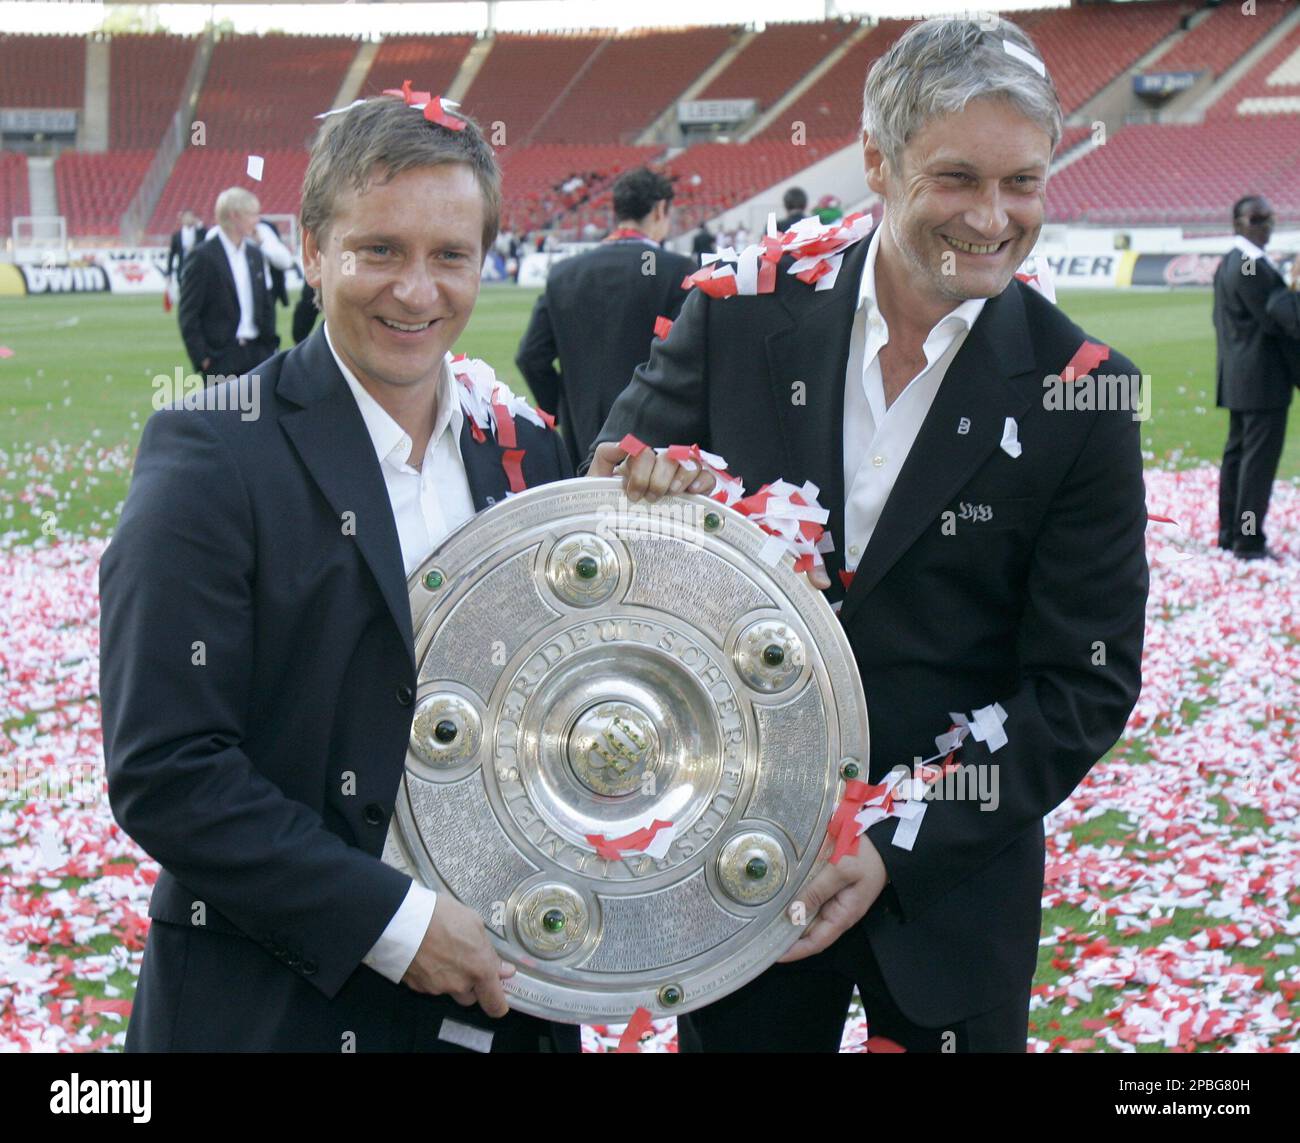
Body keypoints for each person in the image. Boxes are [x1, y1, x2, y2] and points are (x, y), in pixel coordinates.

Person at [587, 17, 1149, 1053]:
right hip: (737, 867)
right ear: (879, 164)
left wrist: (894, 844)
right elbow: (603, 516)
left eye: (1022, 183)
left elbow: (1084, 683)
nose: (992, 218)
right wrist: (640, 493)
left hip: (953, 902)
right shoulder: (736, 313)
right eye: (957, 178)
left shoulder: (1087, 394)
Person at [101, 92, 576, 1053]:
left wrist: (663, 522)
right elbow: (166, 768)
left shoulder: (528, 452)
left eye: (450, 255)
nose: (417, 290)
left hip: (508, 1004)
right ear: (312, 251)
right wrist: (395, 927)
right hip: (277, 1011)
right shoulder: (210, 452)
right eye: (380, 250)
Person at [515, 166, 697, 472]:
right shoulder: (676, 270)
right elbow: (687, 359)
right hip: (651, 447)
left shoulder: (564, 273)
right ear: (660, 209)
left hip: (580, 436)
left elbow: (531, 356)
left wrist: (562, 407)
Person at [1213, 194, 1300, 560]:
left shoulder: (1233, 262)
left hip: (1241, 378)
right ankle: (1247, 540)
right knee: (1255, 466)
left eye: (1268, 218)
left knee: (1238, 459)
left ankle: (1231, 534)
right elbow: (1282, 319)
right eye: (1257, 219)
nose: (1266, 226)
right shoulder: (1249, 265)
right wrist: (1294, 288)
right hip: (1263, 382)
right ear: (1238, 223)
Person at [178, 187, 279, 381]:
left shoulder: (255, 255)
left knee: (259, 403)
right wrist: (202, 358)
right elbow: (188, 313)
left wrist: (269, 346)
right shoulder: (203, 257)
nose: (257, 221)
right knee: (226, 403)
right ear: (234, 216)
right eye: (252, 214)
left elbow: (266, 303)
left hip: (257, 356)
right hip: (221, 360)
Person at [166, 208, 206, 282]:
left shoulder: (199, 233)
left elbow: (207, 237)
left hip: (197, 269)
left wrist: (199, 224)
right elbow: (171, 255)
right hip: (182, 269)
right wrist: (169, 273)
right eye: (186, 217)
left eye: (190, 216)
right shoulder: (177, 236)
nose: (188, 219)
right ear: (182, 219)